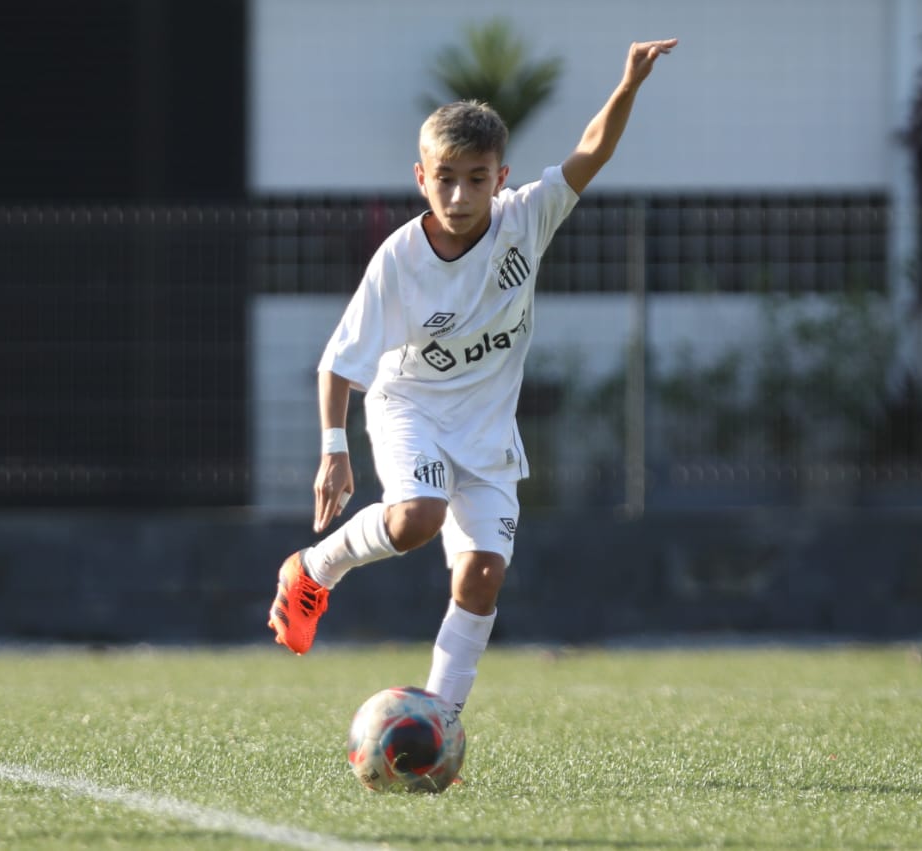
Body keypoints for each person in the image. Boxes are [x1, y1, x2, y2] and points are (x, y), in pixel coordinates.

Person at [268, 38, 677, 714]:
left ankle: (438, 723)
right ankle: (313, 569)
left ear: (501, 175)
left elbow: (593, 150)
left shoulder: (527, 219)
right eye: (446, 177)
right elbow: (339, 360)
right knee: (416, 518)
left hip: (486, 431)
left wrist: (628, 83)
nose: (461, 194)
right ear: (421, 177)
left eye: (477, 178)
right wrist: (333, 453)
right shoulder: (400, 257)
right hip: (410, 409)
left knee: (482, 576)